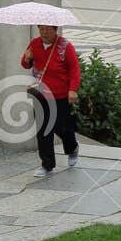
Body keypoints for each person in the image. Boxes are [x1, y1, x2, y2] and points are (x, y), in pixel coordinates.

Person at [21, 23, 81, 174]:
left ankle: (72, 147)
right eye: (41, 29)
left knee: (61, 127)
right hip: (41, 93)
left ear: (55, 30)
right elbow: (25, 64)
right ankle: (47, 165)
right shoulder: (35, 43)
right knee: (43, 129)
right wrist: (27, 58)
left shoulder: (65, 46)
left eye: (48, 29)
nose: (44, 32)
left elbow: (74, 69)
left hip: (60, 94)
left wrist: (73, 90)